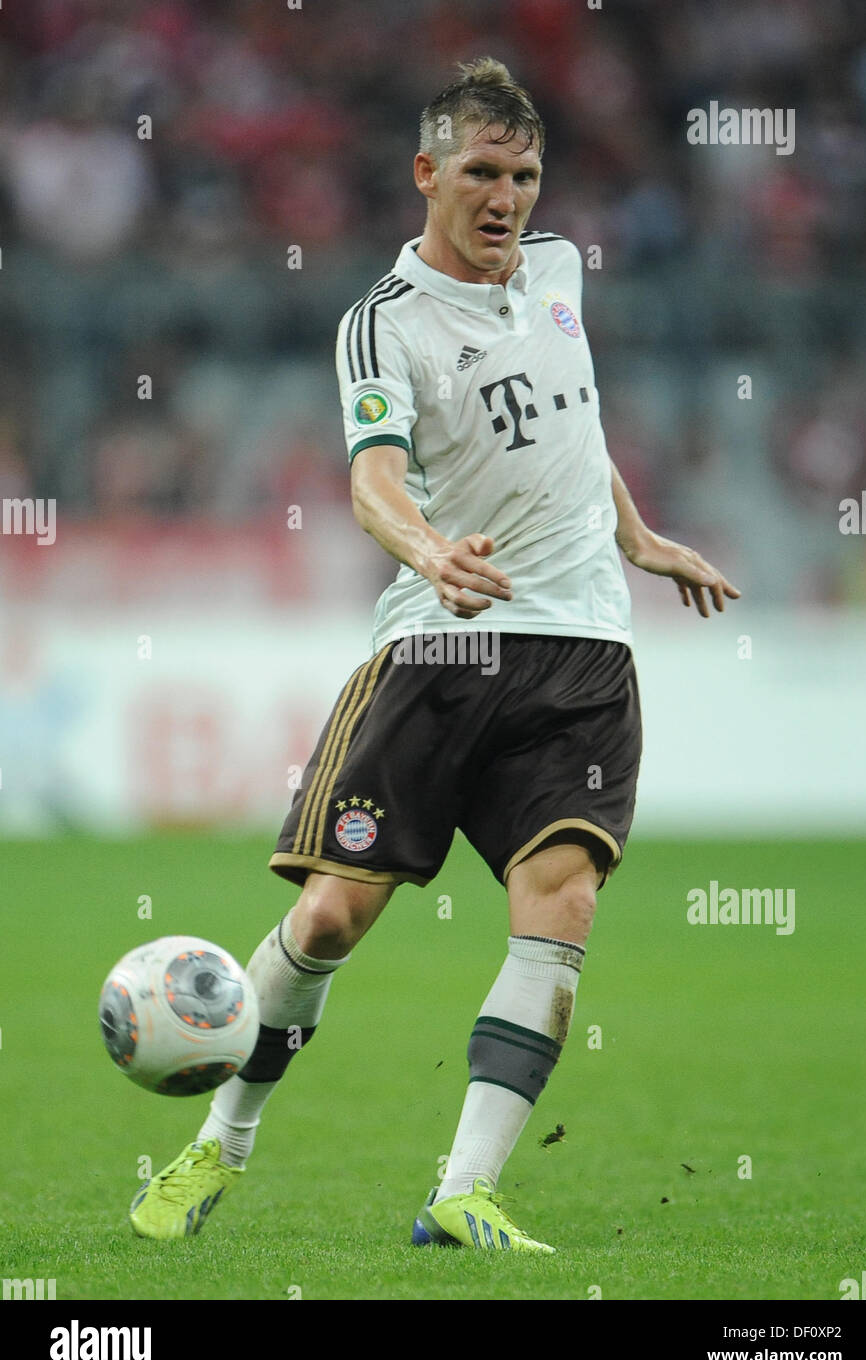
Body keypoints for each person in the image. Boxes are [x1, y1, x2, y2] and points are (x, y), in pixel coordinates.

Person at [130, 57, 739, 1251]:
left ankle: (462, 1191)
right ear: (427, 174)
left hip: (581, 648)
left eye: (523, 175)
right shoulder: (382, 323)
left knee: (559, 904)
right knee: (331, 921)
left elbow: (576, 425)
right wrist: (427, 550)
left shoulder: (559, 274)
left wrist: (641, 535)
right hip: (439, 646)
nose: (506, 197)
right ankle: (218, 1148)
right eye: (481, 173)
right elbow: (371, 480)